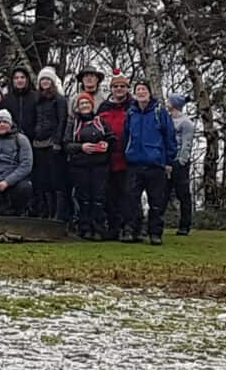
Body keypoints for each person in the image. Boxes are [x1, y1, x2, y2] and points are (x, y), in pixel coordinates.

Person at [121, 79, 178, 245]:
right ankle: (131, 231)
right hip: (134, 162)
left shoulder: (160, 112)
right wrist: (127, 153)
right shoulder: (131, 113)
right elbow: (126, 136)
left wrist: (168, 160)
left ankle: (155, 233)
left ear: (149, 92)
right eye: (138, 90)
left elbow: (170, 137)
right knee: (131, 199)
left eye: (143, 89)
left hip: (156, 163)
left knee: (156, 201)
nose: (140, 93)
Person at [63, 92, 116, 240]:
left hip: (100, 165)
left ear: (92, 105)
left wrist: (106, 144)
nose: (85, 106)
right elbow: (66, 145)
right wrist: (82, 147)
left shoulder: (100, 122)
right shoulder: (73, 124)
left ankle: (98, 228)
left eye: (87, 103)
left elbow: (112, 138)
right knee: (83, 198)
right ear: (77, 108)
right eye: (82, 104)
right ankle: (84, 228)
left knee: (98, 198)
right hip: (80, 166)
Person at [96, 70, 132, 240]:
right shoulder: (103, 107)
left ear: (127, 88)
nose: (119, 89)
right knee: (109, 195)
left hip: (127, 158)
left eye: (122, 86)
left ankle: (129, 227)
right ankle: (113, 227)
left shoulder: (133, 106)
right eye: (116, 86)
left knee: (127, 194)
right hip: (107, 158)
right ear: (111, 88)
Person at [31, 66, 67, 219]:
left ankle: (58, 214)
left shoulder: (59, 100)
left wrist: (57, 142)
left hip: (53, 144)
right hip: (38, 144)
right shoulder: (38, 101)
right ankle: (46, 211)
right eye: (42, 80)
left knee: (56, 180)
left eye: (47, 79)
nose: (45, 82)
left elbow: (62, 121)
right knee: (43, 180)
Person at [166, 93, 195, 236]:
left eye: (169, 101)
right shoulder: (167, 119)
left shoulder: (186, 123)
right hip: (166, 160)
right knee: (163, 193)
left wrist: (181, 161)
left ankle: (185, 225)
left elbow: (187, 143)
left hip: (179, 162)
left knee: (182, 194)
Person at [3, 66, 38, 140]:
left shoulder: (35, 97)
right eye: (16, 78)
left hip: (33, 139)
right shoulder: (6, 99)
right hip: (11, 138)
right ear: (12, 80)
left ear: (27, 79)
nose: (19, 80)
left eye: (22, 77)